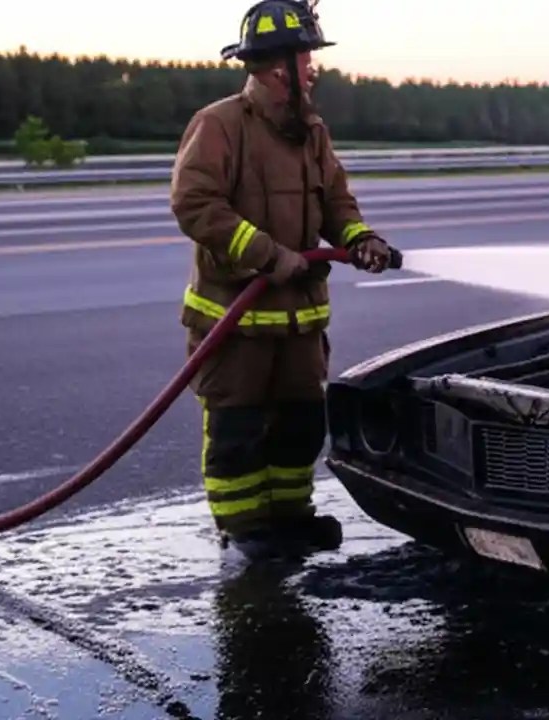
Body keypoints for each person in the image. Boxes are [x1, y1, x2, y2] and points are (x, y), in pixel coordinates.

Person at [169, 0, 398, 559]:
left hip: (299, 325)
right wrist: (269, 256)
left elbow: (337, 202)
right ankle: (246, 534)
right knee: (239, 431)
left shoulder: (312, 133)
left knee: (299, 429)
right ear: (277, 69)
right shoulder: (219, 125)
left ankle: (291, 521)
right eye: (306, 58)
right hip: (236, 323)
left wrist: (360, 239)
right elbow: (194, 203)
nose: (314, 69)